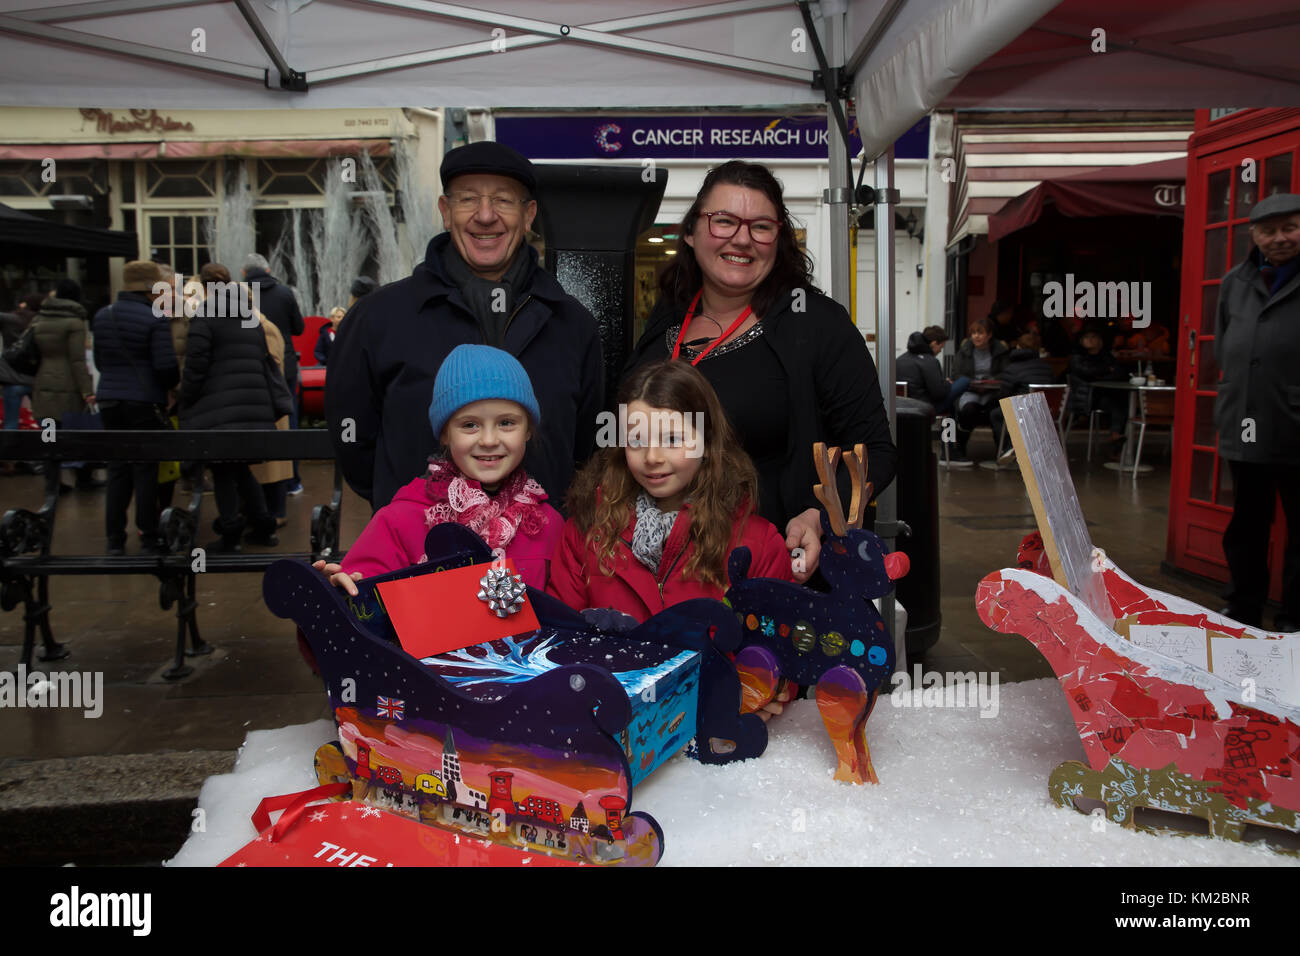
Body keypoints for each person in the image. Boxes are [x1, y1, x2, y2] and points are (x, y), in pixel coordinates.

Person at [624, 160, 896, 583]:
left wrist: (822, 516)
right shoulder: (668, 316)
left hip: (766, 570)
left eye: (761, 226)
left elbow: (876, 451)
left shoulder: (815, 324)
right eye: (724, 221)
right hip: (653, 566)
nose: (742, 239)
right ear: (692, 232)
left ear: (778, 239)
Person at [326, 141, 603, 512]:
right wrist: (403, 513)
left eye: (504, 200)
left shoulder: (573, 326)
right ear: (446, 211)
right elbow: (355, 446)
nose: (485, 216)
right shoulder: (378, 318)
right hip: (419, 560)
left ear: (529, 215)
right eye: (468, 199)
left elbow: (585, 448)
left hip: (538, 558)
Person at [548, 359, 794, 621]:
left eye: (672, 439)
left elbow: (771, 653)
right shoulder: (585, 531)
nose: (652, 457)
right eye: (637, 440)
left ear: (707, 442)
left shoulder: (758, 544)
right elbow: (560, 637)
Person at [315, 345, 562, 593]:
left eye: (506, 423)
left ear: (528, 430)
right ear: (445, 434)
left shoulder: (547, 524)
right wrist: (336, 594)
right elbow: (356, 600)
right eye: (470, 425)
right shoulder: (400, 520)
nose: (489, 440)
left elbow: (567, 617)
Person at [1213, 192, 1300, 632]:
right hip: (1244, 422)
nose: (1279, 238)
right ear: (1254, 235)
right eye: (1269, 230)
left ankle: (1295, 616)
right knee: (1246, 525)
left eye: (1290, 228)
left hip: (1295, 424)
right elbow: (1224, 344)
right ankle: (1243, 606)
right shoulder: (1235, 281)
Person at [179, 270, 280, 552]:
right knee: (239, 467)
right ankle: (263, 525)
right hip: (253, 407)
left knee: (223, 468)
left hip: (219, 408)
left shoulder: (205, 318)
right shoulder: (251, 320)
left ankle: (231, 533)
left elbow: (195, 368)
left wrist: (186, 400)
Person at [92, 263, 180, 554]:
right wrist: (169, 389)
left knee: (117, 468)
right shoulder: (154, 318)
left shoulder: (103, 316)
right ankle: (147, 535)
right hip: (143, 399)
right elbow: (166, 366)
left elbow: (101, 361)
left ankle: (114, 539)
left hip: (108, 398)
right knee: (145, 470)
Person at [242, 253, 305, 494]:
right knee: (289, 420)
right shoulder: (285, 293)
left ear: (244, 273)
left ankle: (256, 482)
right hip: (284, 365)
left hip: (253, 365)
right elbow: (299, 328)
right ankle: (292, 480)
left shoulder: (239, 296)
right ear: (268, 271)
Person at [31, 280, 99, 491]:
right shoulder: (75, 323)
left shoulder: (38, 320)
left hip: (43, 381)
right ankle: (83, 478)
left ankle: (52, 482)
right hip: (68, 383)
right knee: (78, 432)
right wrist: (87, 390)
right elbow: (77, 360)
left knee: (48, 434)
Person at [945, 316, 1011, 465]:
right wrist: (972, 383)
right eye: (973, 333)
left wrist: (990, 380)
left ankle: (1002, 452)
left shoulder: (1000, 351)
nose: (976, 336)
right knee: (967, 410)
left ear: (989, 335)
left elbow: (1006, 373)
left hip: (993, 392)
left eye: (980, 333)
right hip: (970, 391)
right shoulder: (964, 350)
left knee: (997, 412)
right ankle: (960, 448)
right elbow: (956, 373)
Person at [1066, 322, 1129, 459]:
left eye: (1093, 337)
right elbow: (1086, 373)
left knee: (1121, 402)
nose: (1090, 340)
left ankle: (1115, 436)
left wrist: (1102, 373)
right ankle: (1115, 438)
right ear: (1081, 340)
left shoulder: (1107, 356)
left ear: (1100, 340)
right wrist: (1106, 371)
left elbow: (1119, 373)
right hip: (1086, 398)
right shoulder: (1078, 358)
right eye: (1086, 337)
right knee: (1116, 402)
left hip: (1105, 394)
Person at [989, 330, 1056, 455]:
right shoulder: (1047, 368)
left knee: (996, 414)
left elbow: (1004, 395)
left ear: (1018, 347)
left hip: (1023, 412)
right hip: (1045, 412)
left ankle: (1008, 448)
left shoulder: (1012, 368)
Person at [896, 326, 968, 415]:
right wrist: (947, 384)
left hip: (900, 406)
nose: (940, 351)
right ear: (934, 344)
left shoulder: (900, 359)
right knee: (964, 381)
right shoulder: (930, 361)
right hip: (923, 407)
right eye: (941, 348)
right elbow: (939, 393)